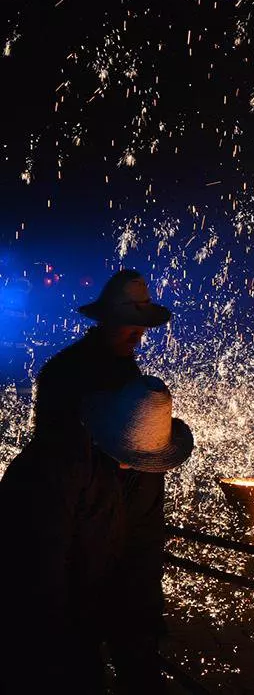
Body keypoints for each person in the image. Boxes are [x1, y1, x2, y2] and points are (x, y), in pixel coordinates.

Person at [0, 376, 194, 694]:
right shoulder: (59, 466)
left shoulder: (145, 473)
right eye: (132, 457)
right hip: (32, 597)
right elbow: (41, 565)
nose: (138, 466)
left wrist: (142, 627)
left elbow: (144, 547)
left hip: (85, 584)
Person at [32, 269, 171, 442]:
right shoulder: (65, 371)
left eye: (141, 325)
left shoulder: (127, 369)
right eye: (128, 324)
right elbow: (53, 446)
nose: (137, 334)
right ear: (107, 321)